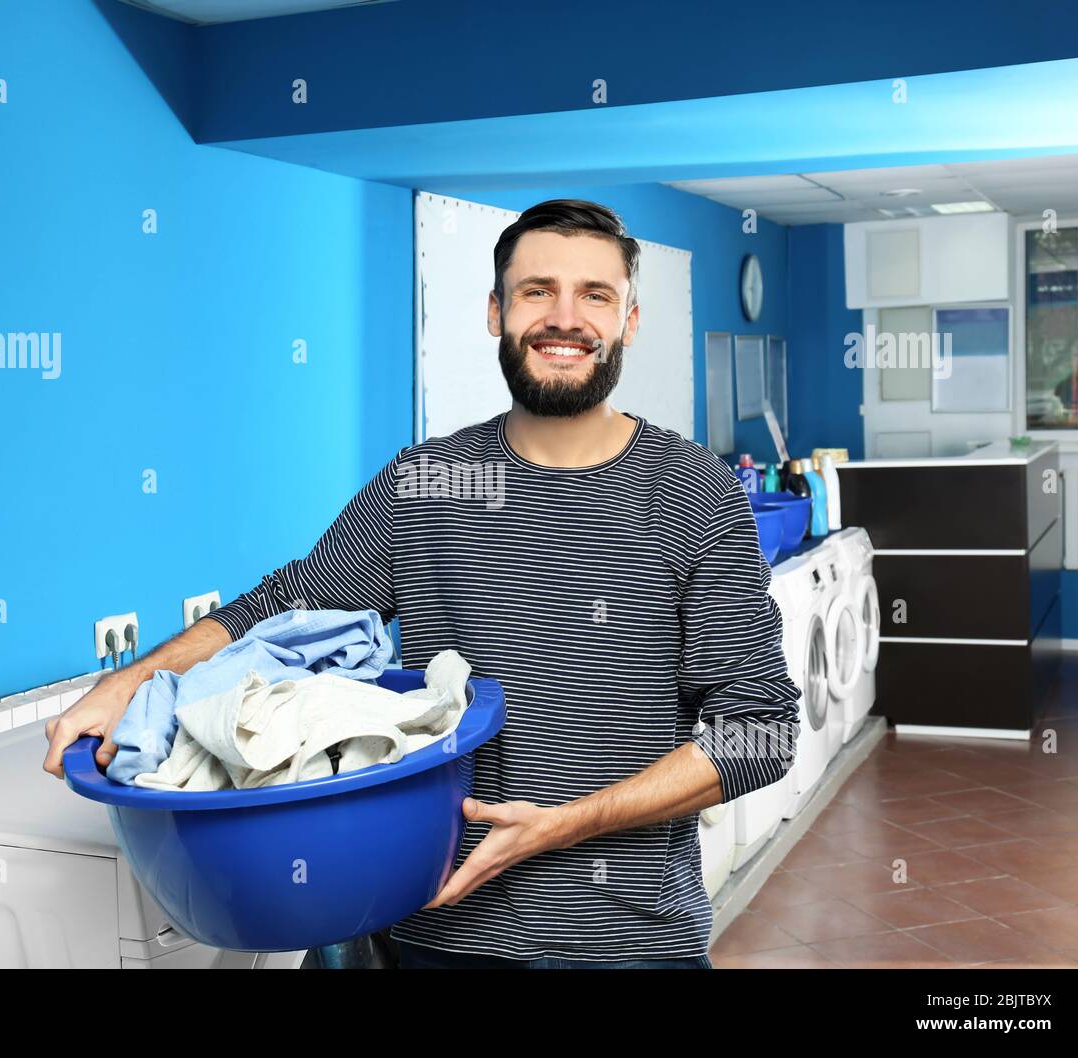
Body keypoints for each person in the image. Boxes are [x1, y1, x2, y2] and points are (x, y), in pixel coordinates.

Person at [45, 199, 799, 969]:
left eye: (595, 295)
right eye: (537, 291)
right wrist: (130, 683)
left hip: (626, 943)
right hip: (435, 932)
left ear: (629, 321)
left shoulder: (691, 492)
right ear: (496, 311)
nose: (564, 318)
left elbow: (762, 732)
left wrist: (565, 823)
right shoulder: (433, 482)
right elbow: (280, 604)